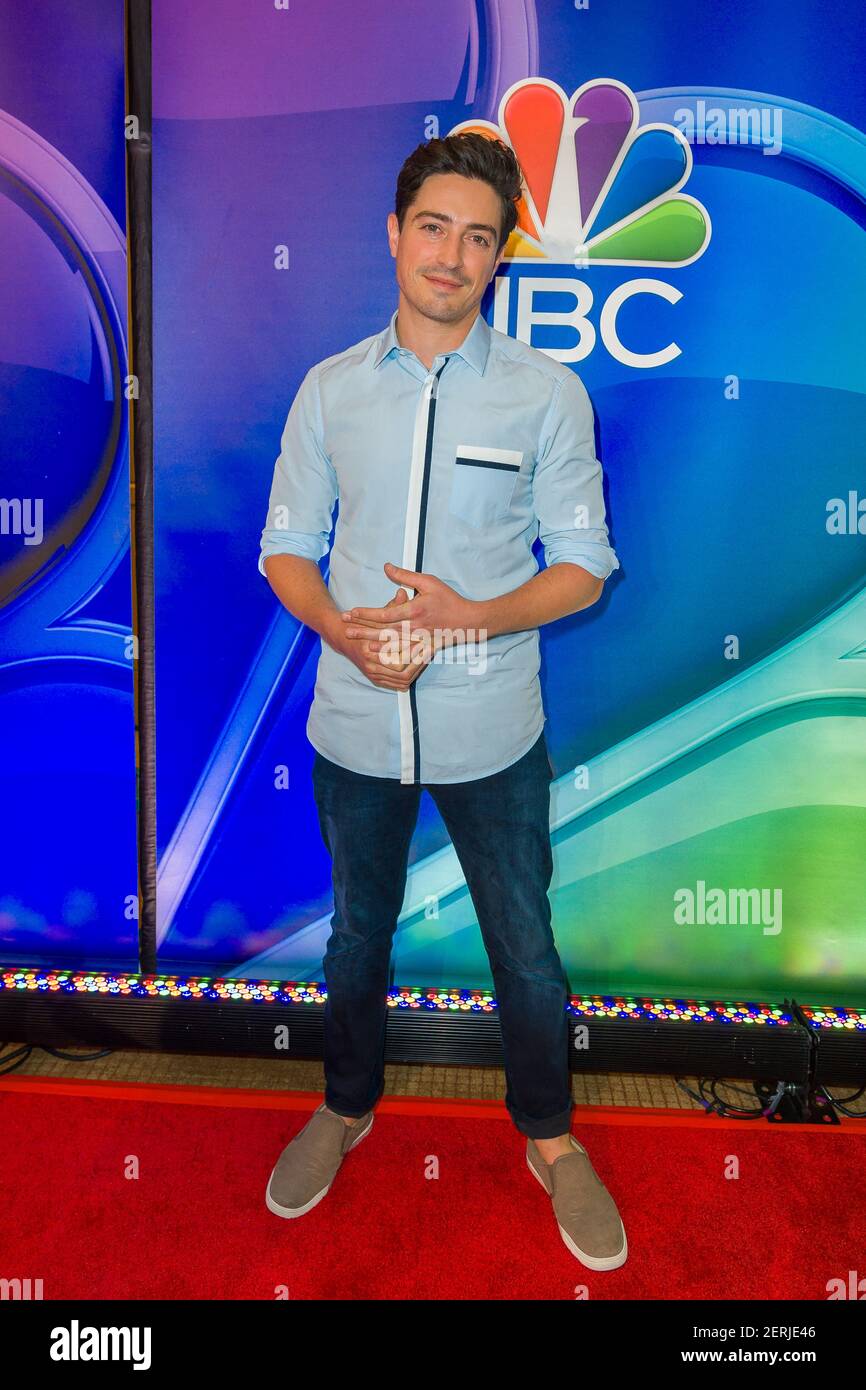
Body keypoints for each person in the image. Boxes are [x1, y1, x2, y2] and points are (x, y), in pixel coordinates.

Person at [258, 132, 626, 1269]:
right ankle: (345, 1104)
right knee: (355, 936)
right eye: (433, 228)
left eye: (477, 237)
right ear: (394, 234)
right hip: (354, 724)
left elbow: (584, 565)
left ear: (502, 255)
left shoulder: (545, 392)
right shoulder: (328, 390)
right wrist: (343, 628)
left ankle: (551, 1138)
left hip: (490, 727)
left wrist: (463, 615)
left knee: (524, 947)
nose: (451, 256)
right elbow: (284, 548)